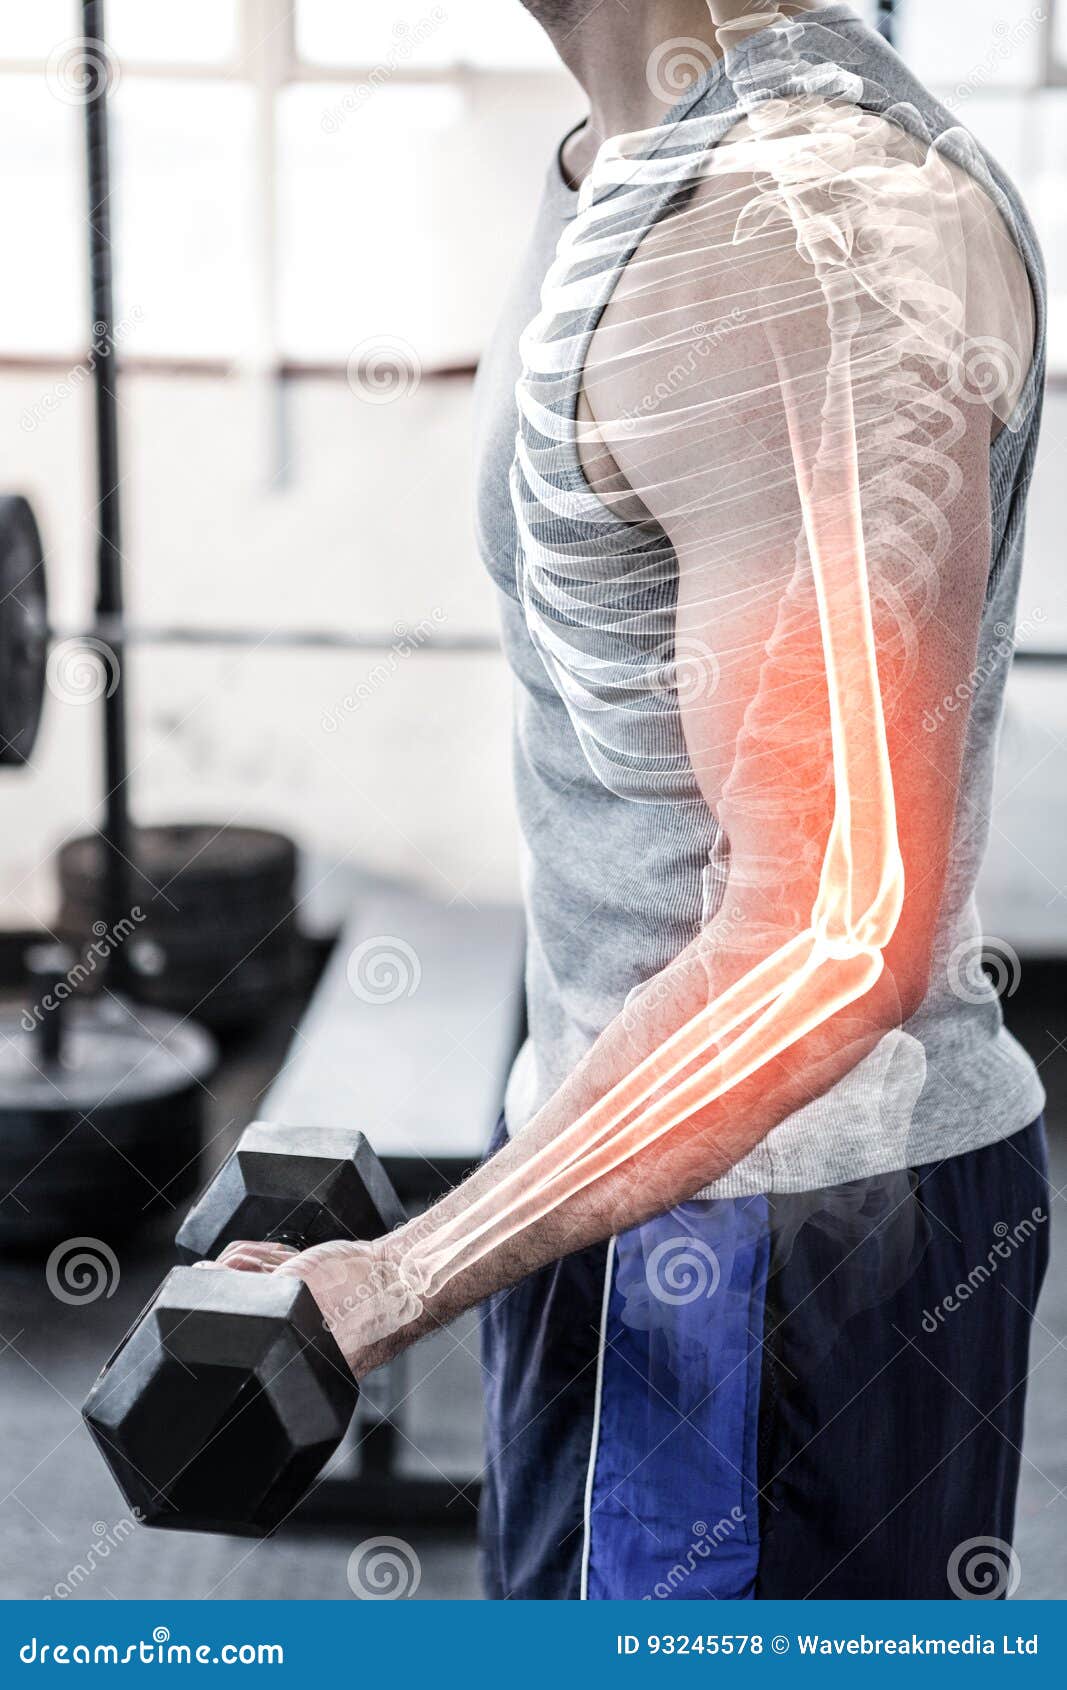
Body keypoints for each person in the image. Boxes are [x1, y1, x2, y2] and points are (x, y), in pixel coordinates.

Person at [212, 3, 1049, 1600]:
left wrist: (400, 1275)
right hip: (641, 1198)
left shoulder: (799, 228)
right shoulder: (641, 160)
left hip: (769, 1255)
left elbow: (827, 928)